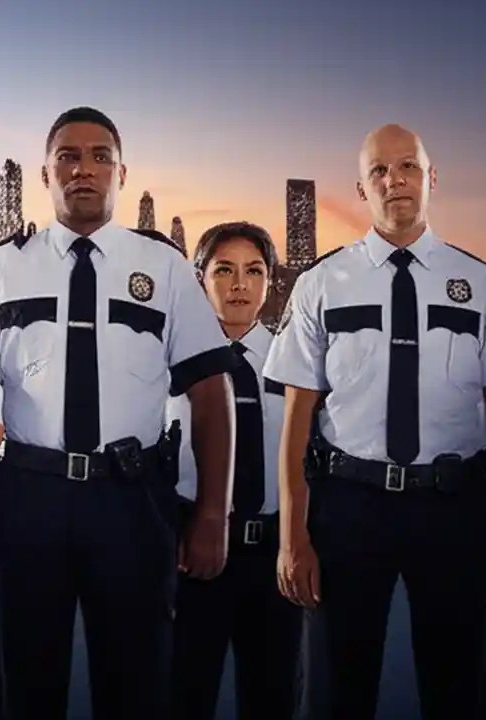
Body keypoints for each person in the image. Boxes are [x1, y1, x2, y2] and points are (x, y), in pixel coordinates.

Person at [0, 106, 237, 719]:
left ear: (121, 173)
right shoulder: (3, 267)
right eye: (68, 157)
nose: (84, 169)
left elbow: (211, 393)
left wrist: (212, 513)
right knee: (24, 684)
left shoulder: (165, 268)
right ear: (46, 174)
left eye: (100, 156)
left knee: (137, 685)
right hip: (28, 497)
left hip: (131, 501)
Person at [270, 124, 486, 719]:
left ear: (431, 178)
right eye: (379, 171)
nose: (395, 181)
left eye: (408, 167)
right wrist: (293, 536)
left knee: (459, 692)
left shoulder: (482, 287)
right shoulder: (322, 283)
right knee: (336, 692)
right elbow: (297, 419)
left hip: (454, 511)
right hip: (347, 509)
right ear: (362, 188)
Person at [169, 222, 301, 719]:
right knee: (184, 692)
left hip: (272, 554)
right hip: (189, 551)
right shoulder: (168, 364)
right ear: (200, 278)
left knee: (274, 695)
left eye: (254, 271)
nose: (239, 284)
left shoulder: (296, 364)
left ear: (270, 281)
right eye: (224, 270)